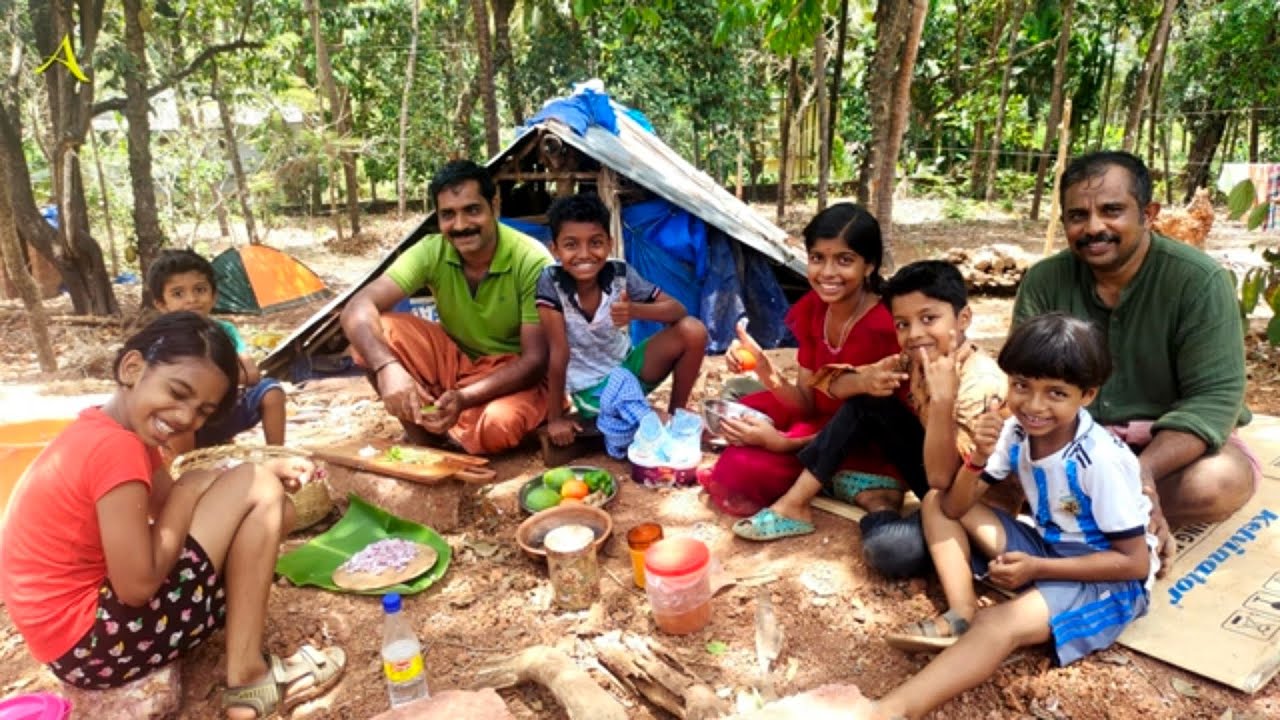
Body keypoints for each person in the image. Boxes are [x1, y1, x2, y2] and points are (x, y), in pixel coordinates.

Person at [0, 312, 345, 719]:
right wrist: (193, 486)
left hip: (73, 648)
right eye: (177, 392)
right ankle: (250, 678)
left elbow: (171, 508)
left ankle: (242, 666)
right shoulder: (117, 450)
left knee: (272, 506)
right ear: (132, 367)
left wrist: (236, 477)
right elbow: (138, 586)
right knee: (259, 491)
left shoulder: (110, 430)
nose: (185, 418)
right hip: (95, 643)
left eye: (203, 411)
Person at [863, 313, 1156, 720]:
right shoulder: (1016, 432)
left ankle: (892, 711)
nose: (1034, 406)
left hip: (1107, 578)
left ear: (1087, 395)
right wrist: (977, 460)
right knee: (933, 500)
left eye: (1055, 393)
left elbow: (1134, 562)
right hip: (1051, 547)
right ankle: (961, 610)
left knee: (998, 624)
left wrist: (1035, 567)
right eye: (1022, 386)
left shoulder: (1097, 461)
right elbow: (953, 508)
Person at [1013, 150, 1256, 569]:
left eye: (1111, 211)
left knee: (1220, 482)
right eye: (1077, 216)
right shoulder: (1044, 280)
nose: (1093, 228)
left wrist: (1139, 474)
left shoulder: (1199, 282)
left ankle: (1081, 523)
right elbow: (1028, 383)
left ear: (1148, 213)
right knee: (992, 468)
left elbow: (1215, 399)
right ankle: (1113, 526)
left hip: (1166, 448)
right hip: (1073, 442)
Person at [759, 261, 1009, 577]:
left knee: (892, 551)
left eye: (928, 319)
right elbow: (826, 383)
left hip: (972, 507)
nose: (915, 334)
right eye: (903, 324)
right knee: (868, 402)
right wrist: (864, 380)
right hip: (935, 478)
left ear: (963, 319)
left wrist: (943, 401)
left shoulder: (980, 385)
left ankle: (880, 509)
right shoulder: (920, 358)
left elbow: (944, 483)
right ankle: (796, 503)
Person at [699, 202, 905, 538]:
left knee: (739, 468)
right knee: (740, 412)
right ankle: (827, 483)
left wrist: (781, 444)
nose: (827, 273)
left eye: (844, 260)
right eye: (817, 258)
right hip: (817, 425)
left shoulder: (887, 327)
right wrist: (764, 368)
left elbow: (871, 424)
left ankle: (841, 486)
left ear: (869, 266)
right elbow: (807, 403)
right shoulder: (813, 308)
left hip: (863, 445)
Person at [340, 160, 553, 455]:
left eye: (472, 210)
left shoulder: (532, 260)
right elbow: (357, 306)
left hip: (514, 374)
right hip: (458, 362)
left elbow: (535, 361)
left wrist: (463, 398)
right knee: (374, 334)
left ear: (494, 204)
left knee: (498, 425)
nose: (461, 225)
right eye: (448, 215)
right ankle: (426, 444)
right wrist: (387, 367)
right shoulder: (432, 250)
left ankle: (464, 427)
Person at [536, 194, 707, 446]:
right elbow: (558, 352)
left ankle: (676, 412)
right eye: (571, 245)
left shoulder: (619, 273)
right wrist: (555, 419)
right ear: (555, 250)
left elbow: (678, 310)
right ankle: (647, 417)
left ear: (609, 243)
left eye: (595, 243)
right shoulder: (551, 282)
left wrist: (635, 311)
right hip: (591, 388)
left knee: (693, 330)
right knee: (641, 423)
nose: (585, 254)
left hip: (629, 368)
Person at [147, 248, 286, 451]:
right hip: (186, 416)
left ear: (214, 296)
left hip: (224, 410)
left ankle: (277, 453)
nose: (191, 299)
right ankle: (187, 465)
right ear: (161, 304)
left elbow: (252, 374)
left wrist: (204, 384)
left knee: (271, 390)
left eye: (200, 290)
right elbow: (155, 387)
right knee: (174, 408)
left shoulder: (225, 331)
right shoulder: (162, 339)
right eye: (178, 294)